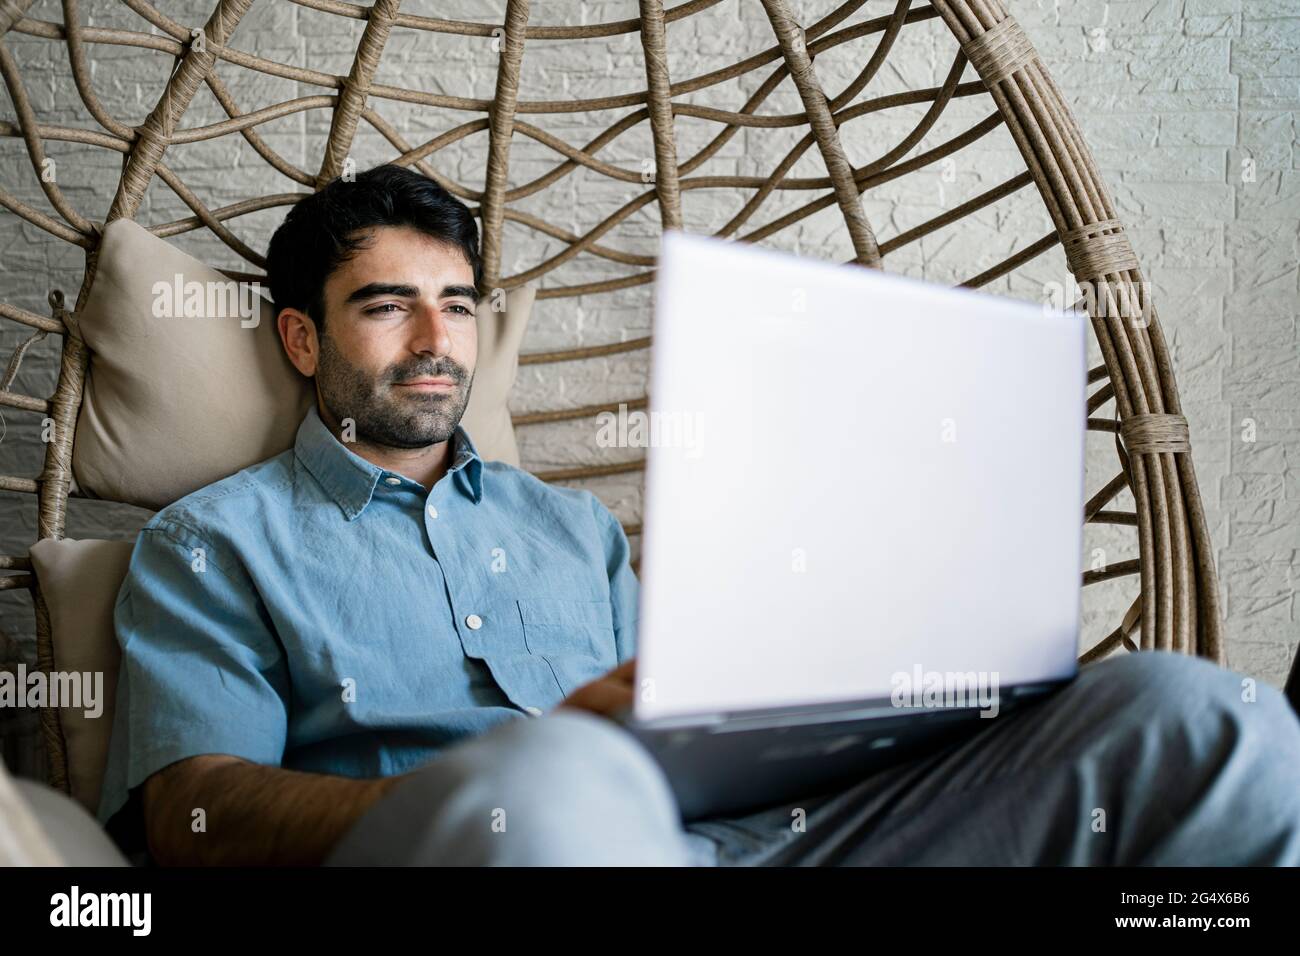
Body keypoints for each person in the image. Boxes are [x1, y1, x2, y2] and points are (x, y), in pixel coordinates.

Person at [97, 163, 1300, 866]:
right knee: (566, 793)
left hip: (757, 840)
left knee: (1202, 717)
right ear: (300, 336)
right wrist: (479, 788)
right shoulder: (212, 541)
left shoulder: (574, 531)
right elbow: (185, 808)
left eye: (458, 307)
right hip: (521, 846)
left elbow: (691, 730)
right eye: (387, 307)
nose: (436, 342)